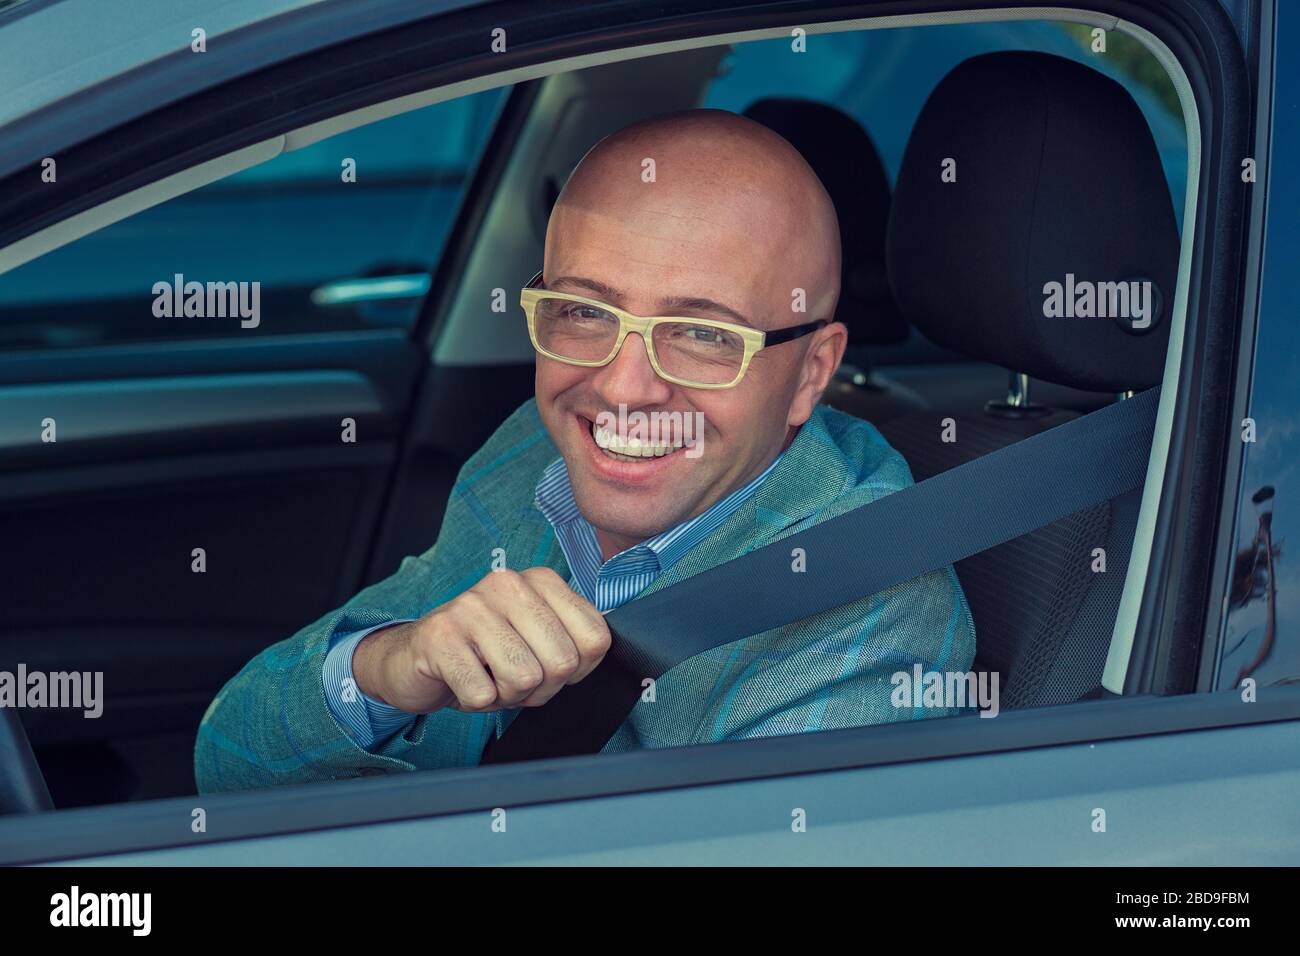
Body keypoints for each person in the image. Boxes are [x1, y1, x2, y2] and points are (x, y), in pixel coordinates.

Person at [195, 109, 974, 793]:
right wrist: (391, 670)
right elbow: (229, 757)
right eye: (584, 311)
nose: (623, 390)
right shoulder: (532, 450)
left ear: (811, 373)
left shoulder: (869, 626)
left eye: (704, 334)